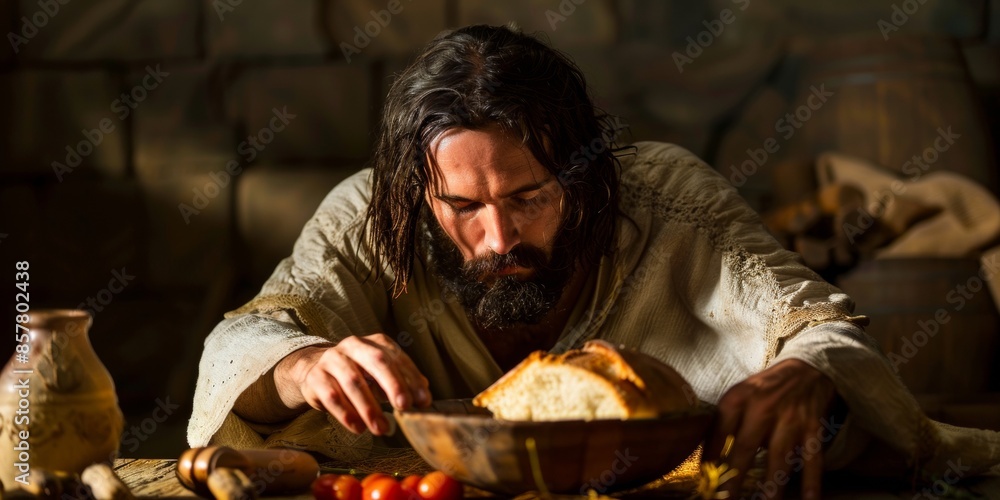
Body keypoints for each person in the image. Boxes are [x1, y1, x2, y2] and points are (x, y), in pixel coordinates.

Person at [189, 24, 1000, 497]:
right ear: (414, 196)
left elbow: (821, 325)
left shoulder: (669, 194)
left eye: (531, 195)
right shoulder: (369, 215)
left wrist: (803, 369)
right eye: (463, 208)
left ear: (586, 172)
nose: (499, 239)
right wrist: (305, 365)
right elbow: (245, 343)